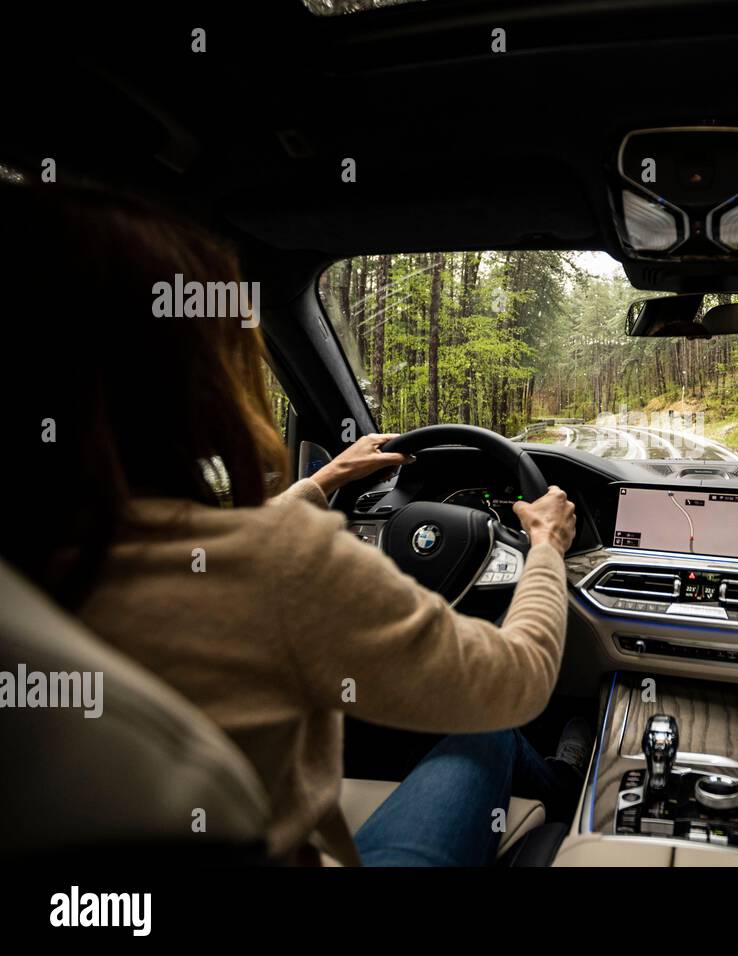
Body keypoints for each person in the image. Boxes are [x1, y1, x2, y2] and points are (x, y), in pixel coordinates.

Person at [1, 185, 585, 866]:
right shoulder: (284, 566)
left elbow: (207, 557)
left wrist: (324, 482)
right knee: (489, 729)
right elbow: (516, 679)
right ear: (189, 384)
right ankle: (566, 790)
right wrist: (545, 548)